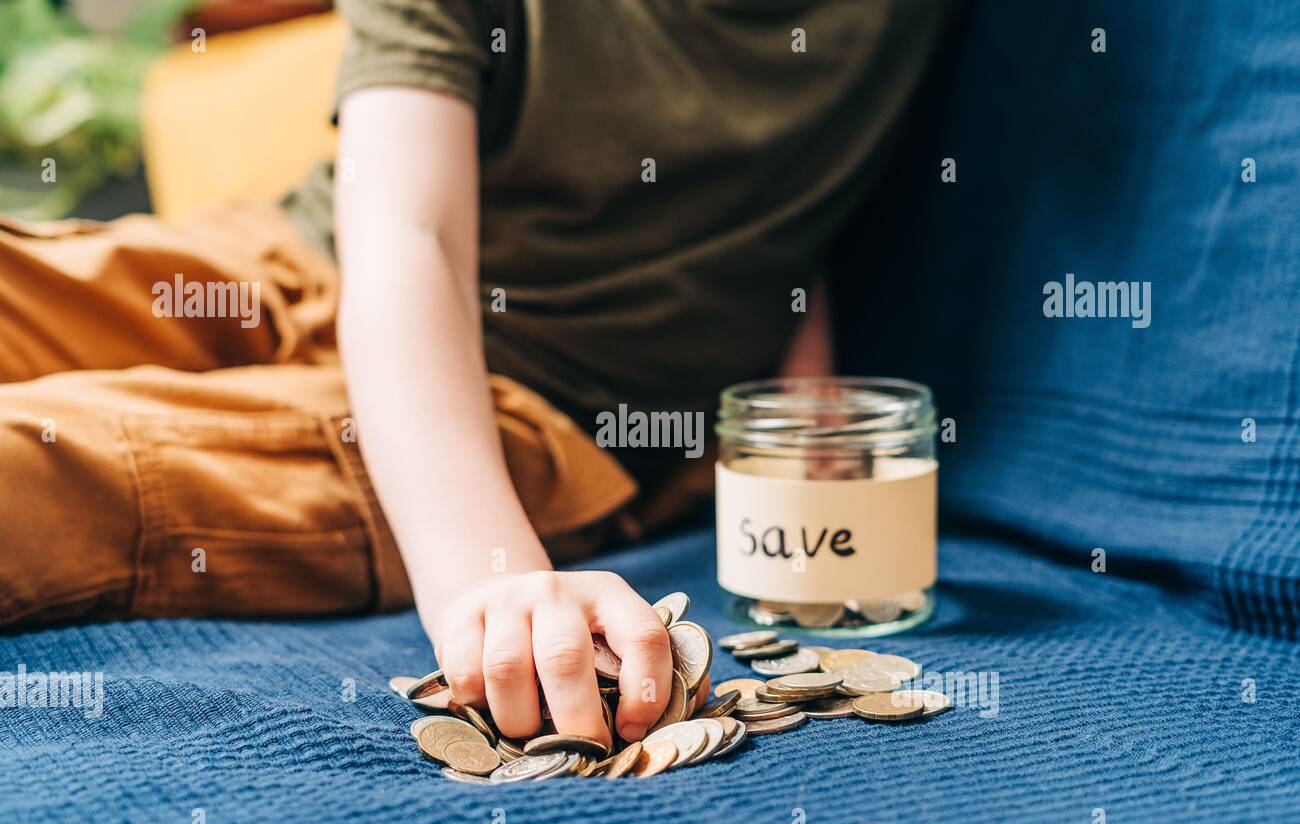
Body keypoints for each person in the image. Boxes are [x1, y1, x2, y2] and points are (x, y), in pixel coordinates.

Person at [0, 0, 954, 747]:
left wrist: (801, 418)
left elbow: (788, 194)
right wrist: (487, 576)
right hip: (294, 256)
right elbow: (405, 231)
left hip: (535, 406)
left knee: (45, 467)